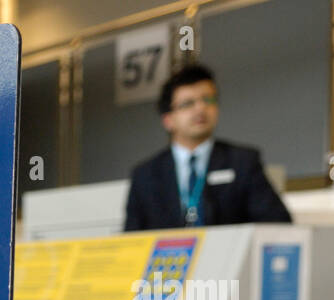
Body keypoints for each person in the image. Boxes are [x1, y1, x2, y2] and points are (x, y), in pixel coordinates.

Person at [124, 64, 291, 232]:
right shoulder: (145, 175)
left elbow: (277, 224)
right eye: (188, 104)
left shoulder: (242, 161)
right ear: (168, 119)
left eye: (208, 100)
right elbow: (131, 241)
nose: (200, 108)